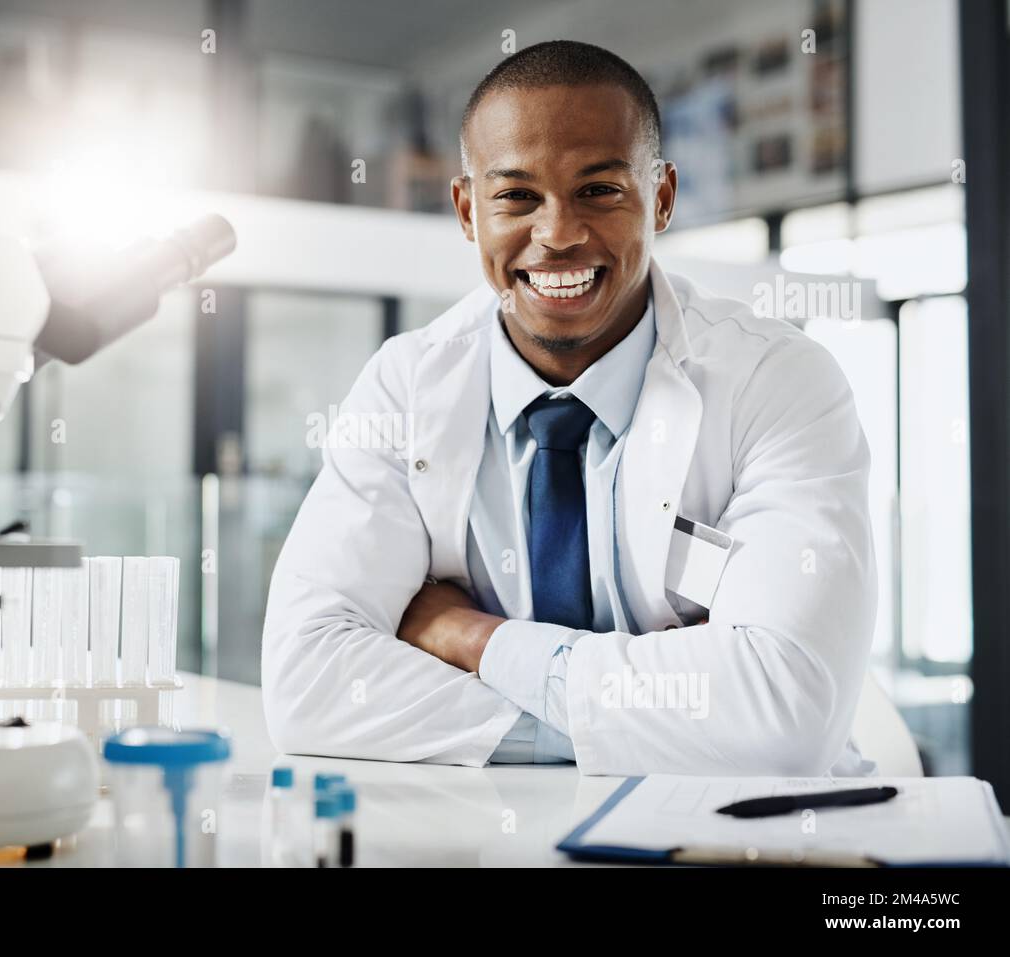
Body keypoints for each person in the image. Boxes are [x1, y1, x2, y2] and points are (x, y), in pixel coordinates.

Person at [261, 39, 876, 775]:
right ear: (466, 209)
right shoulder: (405, 385)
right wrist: (641, 722)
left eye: (600, 191)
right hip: (493, 837)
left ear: (662, 199)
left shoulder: (780, 382)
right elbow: (308, 682)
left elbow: (782, 714)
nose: (556, 235)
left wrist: (471, 638)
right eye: (516, 196)